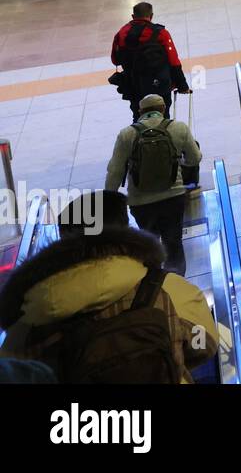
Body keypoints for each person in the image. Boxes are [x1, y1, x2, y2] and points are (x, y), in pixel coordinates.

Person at [0, 191, 216, 383]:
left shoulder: (29, 320)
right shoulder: (167, 287)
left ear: (64, 239)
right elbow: (205, 343)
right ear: (125, 231)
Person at [105, 94, 202, 276]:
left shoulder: (127, 134)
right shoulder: (179, 128)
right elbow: (195, 158)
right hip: (173, 198)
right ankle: (177, 284)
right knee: (173, 242)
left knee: (149, 243)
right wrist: (178, 165)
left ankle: (153, 285)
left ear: (140, 111)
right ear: (163, 108)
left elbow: (115, 170)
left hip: (140, 202)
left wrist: (109, 198)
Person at [110, 2, 191, 120]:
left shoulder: (121, 33)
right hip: (160, 86)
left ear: (133, 16)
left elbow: (115, 60)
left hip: (134, 85)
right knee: (163, 118)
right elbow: (174, 62)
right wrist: (182, 86)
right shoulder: (161, 33)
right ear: (151, 16)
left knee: (138, 117)